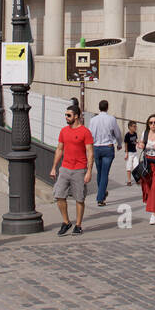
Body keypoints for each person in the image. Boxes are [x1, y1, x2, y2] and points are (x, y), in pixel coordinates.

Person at [50, 102, 94, 236]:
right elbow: (59, 149)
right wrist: (54, 168)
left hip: (80, 169)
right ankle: (66, 222)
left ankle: (78, 225)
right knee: (59, 195)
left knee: (79, 198)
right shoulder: (64, 131)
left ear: (76, 116)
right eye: (65, 115)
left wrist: (89, 171)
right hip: (65, 168)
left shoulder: (85, 132)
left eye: (68, 115)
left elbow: (90, 152)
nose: (66, 117)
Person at [88, 99, 124, 206]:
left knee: (100, 172)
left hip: (96, 147)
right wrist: (119, 143)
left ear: (99, 108)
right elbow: (117, 133)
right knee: (105, 173)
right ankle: (100, 197)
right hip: (107, 147)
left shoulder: (93, 120)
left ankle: (102, 192)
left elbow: (90, 134)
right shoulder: (111, 119)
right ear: (107, 107)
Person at [138, 114, 155, 224]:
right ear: (148, 124)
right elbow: (141, 144)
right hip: (147, 164)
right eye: (151, 122)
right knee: (146, 187)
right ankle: (151, 202)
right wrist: (140, 145)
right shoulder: (145, 133)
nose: (153, 125)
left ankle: (153, 213)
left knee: (154, 188)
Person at [123, 121, 139, 187]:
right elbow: (126, 144)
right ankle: (129, 181)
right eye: (134, 126)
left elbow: (135, 141)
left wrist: (137, 143)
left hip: (135, 152)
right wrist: (126, 153)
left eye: (136, 126)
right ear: (130, 127)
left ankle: (137, 179)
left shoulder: (135, 134)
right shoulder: (127, 135)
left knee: (136, 166)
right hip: (129, 153)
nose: (135, 127)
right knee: (129, 167)